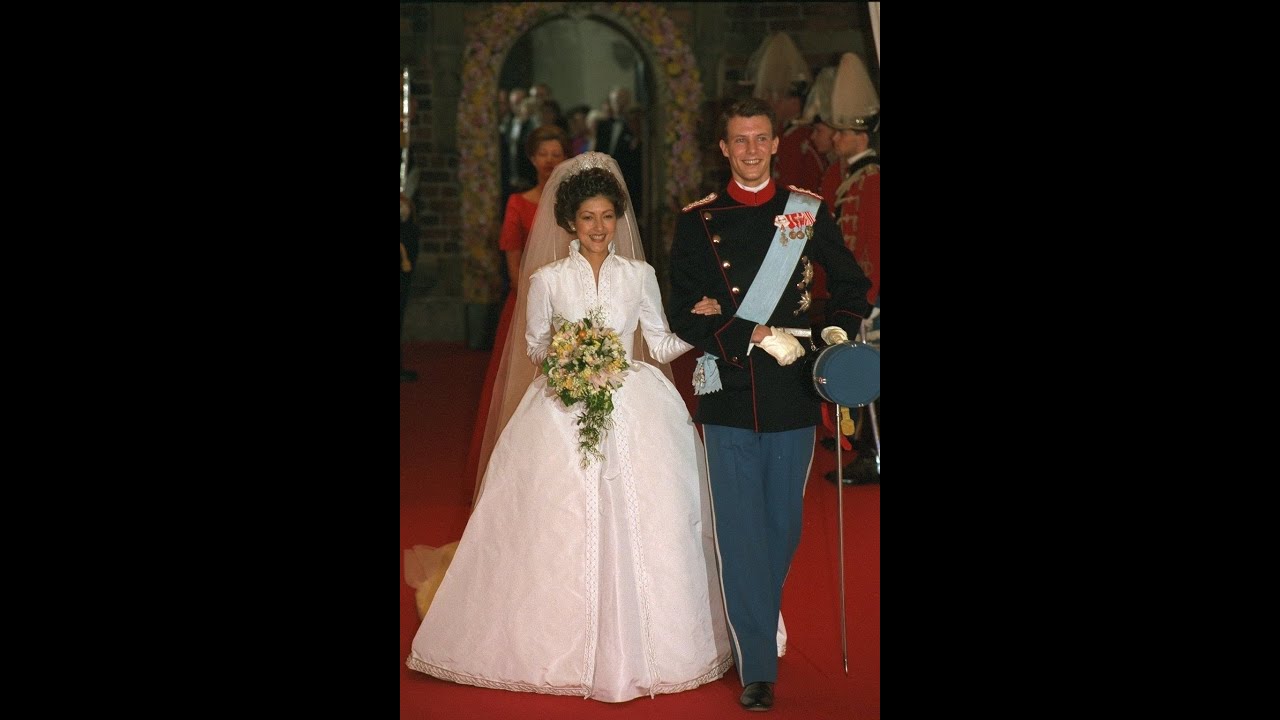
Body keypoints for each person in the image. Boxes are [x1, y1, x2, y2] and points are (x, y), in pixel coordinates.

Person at [408, 152, 732, 702]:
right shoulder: (547, 280)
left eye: (608, 216)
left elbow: (658, 344)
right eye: (588, 218)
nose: (599, 227)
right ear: (569, 223)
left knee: (647, 515)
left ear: (618, 218)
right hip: (564, 402)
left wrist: (704, 325)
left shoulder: (641, 275)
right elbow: (534, 345)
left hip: (635, 401)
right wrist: (567, 360)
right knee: (558, 519)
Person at [666, 97, 874, 712]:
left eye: (761, 139)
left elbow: (853, 285)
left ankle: (752, 617)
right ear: (724, 149)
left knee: (781, 528)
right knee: (739, 533)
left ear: (775, 144)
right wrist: (748, 333)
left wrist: (834, 333)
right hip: (728, 395)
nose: (752, 150)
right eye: (740, 140)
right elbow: (683, 310)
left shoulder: (806, 211)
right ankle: (757, 662)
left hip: (792, 394)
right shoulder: (697, 222)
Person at [463, 125, 571, 498]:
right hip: (528, 305)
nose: (550, 161)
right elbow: (514, 268)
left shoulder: (575, 207)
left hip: (572, 309)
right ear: (531, 158)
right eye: (543, 153)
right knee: (525, 387)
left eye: (556, 153)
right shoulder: (518, 203)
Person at [819, 52, 881, 485]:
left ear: (858, 135)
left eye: (841, 131)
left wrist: (865, 299)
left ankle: (874, 454)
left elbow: (869, 247)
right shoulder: (853, 177)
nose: (835, 139)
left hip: (872, 296)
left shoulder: (871, 179)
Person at [597, 86, 642, 212]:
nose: (619, 104)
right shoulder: (603, 125)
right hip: (605, 178)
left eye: (623, 100)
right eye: (616, 101)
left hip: (627, 179)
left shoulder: (634, 125)